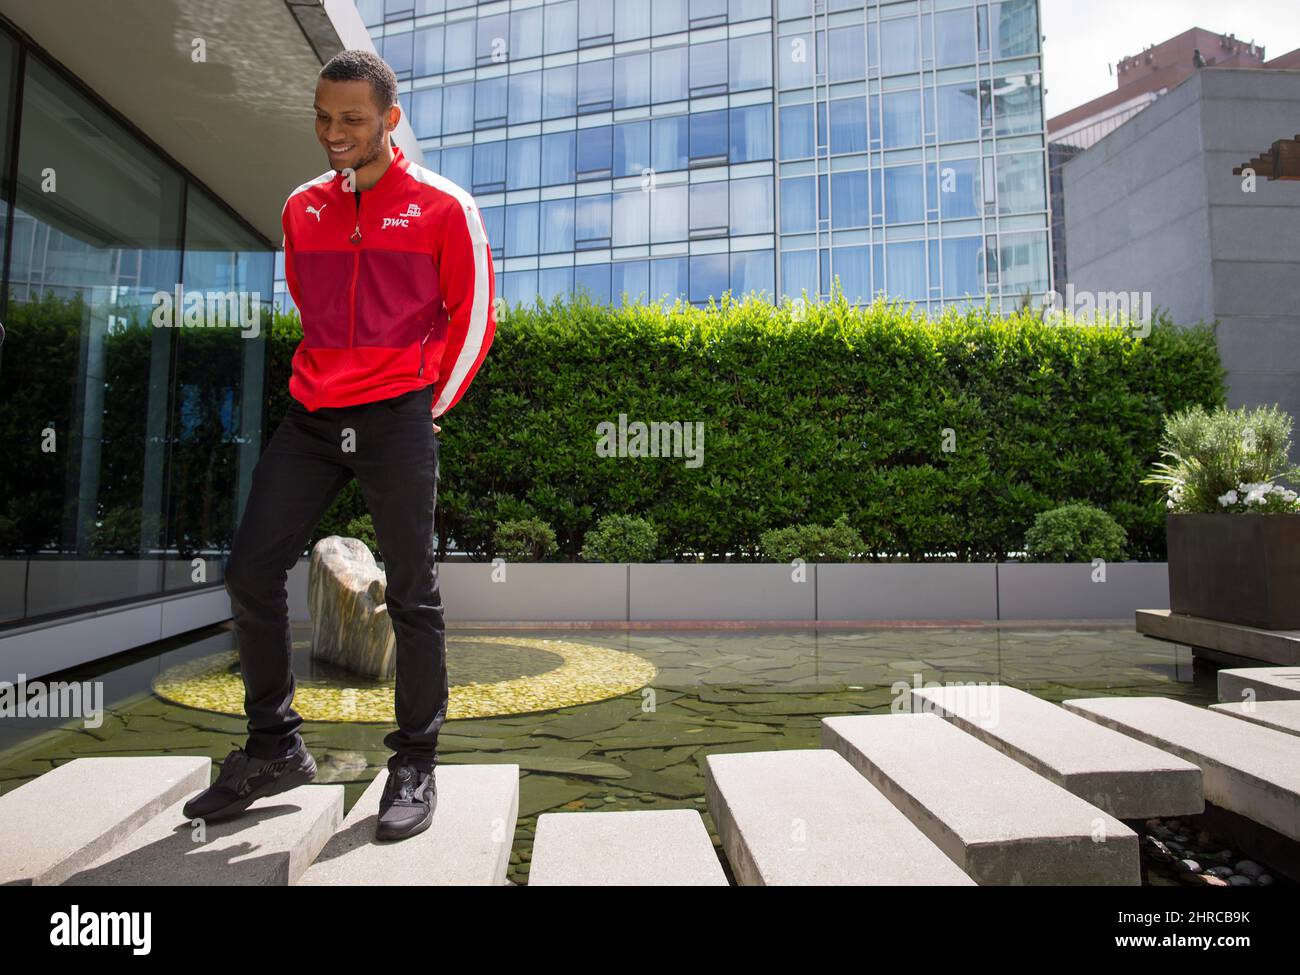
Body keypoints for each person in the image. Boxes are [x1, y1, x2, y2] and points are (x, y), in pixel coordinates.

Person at [183, 49, 496, 841]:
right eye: (322, 117)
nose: (333, 132)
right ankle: (274, 746)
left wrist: (428, 405)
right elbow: (314, 306)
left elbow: (475, 315)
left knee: (413, 595)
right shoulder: (301, 208)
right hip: (315, 417)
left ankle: (415, 761)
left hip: (398, 415)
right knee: (251, 568)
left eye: (351, 119)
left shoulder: (441, 207)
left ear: (389, 120)